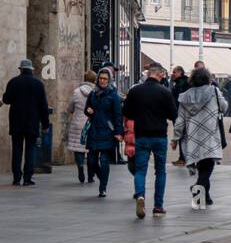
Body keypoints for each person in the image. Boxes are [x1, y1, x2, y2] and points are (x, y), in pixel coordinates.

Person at [123, 64, 178, 218]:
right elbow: (173, 115)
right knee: (160, 171)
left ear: (148, 74)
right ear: (160, 75)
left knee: (140, 170)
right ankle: (158, 207)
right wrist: (177, 138)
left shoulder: (135, 91)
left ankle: (140, 195)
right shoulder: (165, 92)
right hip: (159, 136)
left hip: (141, 136)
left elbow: (126, 112)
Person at [173, 66, 227, 206]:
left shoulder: (185, 96)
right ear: (208, 79)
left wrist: (175, 138)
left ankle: (205, 198)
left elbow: (180, 120)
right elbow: (224, 107)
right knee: (207, 167)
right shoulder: (214, 91)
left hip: (192, 138)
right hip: (209, 135)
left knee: (203, 167)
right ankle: (197, 193)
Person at [4, 59, 51, 187]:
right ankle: (27, 178)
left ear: (20, 69)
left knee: (17, 149)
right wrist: (46, 124)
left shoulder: (13, 82)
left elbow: (6, 99)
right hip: (32, 123)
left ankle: (16, 178)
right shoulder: (38, 84)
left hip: (16, 123)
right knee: (30, 150)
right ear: (32, 69)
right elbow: (43, 107)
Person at [83, 68, 123, 197]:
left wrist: (118, 132)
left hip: (107, 131)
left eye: (105, 79)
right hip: (94, 130)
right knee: (91, 161)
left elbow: (118, 115)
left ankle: (103, 187)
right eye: (101, 78)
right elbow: (87, 108)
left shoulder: (113, 95)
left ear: (109, 80)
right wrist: (88, 110)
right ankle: (103, 178)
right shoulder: (93, 93)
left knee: (105, 161)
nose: (102, 81)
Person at [64, 70, 97, 184]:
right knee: (92, 150)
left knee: (78, 149)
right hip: (91, 123)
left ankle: (80, 167)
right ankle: (91, 175)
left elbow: (70, 108)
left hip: (78, 123)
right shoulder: (96, 92)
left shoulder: (77, 92)